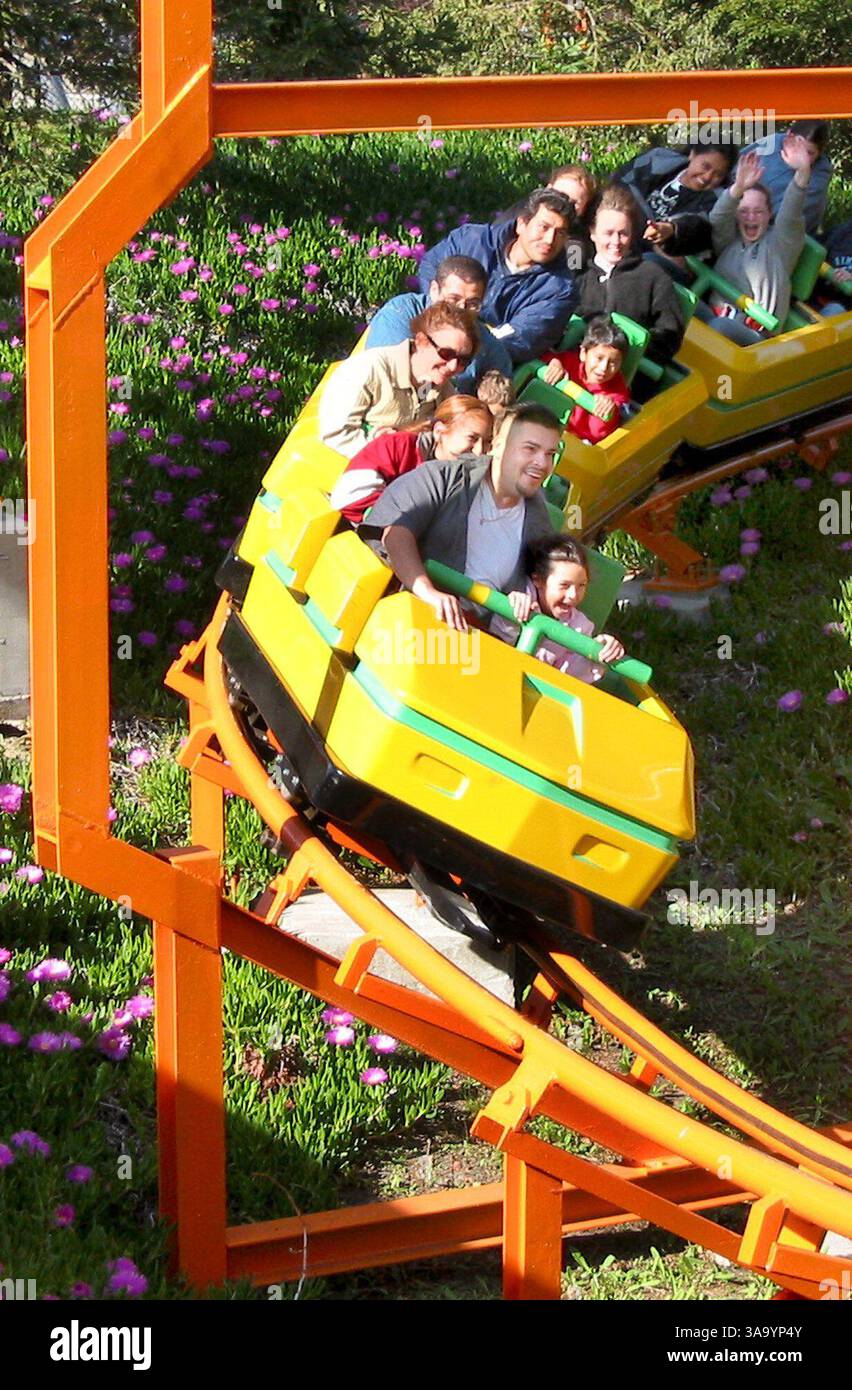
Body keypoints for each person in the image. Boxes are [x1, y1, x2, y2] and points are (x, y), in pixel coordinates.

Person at [361, 402, 562, 631]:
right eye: (530, 449)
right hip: (412, 616)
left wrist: (528, 600)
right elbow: (396, 533)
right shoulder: (443, 478)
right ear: (497, 446)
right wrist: (429, 593)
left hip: (477, 641)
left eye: (550, 454)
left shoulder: (540, 524)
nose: (542, 463)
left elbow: (554, 591)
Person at [417, 189, 578, 364]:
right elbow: (430, 269)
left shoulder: (559, 290)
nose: (549, 239)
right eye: (543, 227)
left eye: (560, 233)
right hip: (428, 324)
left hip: (475, 361)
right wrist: (438, 319)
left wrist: (459, 344)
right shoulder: (472, 240)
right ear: (522, 224)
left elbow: (518, 340)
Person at [318, 302, 478, 458]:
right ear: (421, 341)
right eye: (446, 354)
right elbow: (336, 433)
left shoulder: (440, 387)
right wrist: (388, 454)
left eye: (463, 360)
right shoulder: (368, 369)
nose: (453, 366)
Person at [696, 139, 812, 346]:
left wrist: (802, 173)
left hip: (755, 337)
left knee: (719, 327)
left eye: (758, 212)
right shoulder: (729, 242)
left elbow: (791, 214)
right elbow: (718, 218)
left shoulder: (779, 245)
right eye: (744, 211)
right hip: (717, 317)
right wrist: (737, 188)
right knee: (676, 296)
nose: (751, 218)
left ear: (769, 215)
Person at [329, 395, 492, 526]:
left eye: (486, 442)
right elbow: (350, 497)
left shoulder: (478, 479)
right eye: (472, 438)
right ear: (439, 431)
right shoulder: (397, 446)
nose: (479, 451)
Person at [365, 254, 513, 391]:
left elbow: (501, 392)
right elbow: (386, 374)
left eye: (472, 304)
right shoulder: (401, 313)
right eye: (453, 299)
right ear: (434, 290)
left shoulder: (485, 341)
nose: (461, 309)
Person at [575, 184, 685, 363]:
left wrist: (628, 347)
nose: (616, 242)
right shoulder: (580, 275)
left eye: (623, 234)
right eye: (608, 233)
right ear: (592, 233)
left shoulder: (653, 276)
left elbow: (669, 335)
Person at [494, 535, 624, 683]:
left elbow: (568, 678)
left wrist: (598, 653)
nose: (573, 595)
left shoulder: (580, 627)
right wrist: (511, 613)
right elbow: (495, 641)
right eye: (564, 585)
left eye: (582, 585)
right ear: (538, 580)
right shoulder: (521, 598)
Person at [615, 142, 737, 262]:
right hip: (623, 231)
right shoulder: (658, 159)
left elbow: (696, 228)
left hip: (657, 259)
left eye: (718, 174)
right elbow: (620, 184)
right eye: (705, 166)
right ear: (692, 155)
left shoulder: (717, 202)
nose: (707, 177)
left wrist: (670, 230)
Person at [539, 316, 632, 445]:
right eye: (599, 358)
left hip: (572, 441)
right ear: (583, 353)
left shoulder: (617, 392)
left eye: (613, 362)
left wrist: (604, 411)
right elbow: (545, 357)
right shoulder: (570, 362)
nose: (603, 368)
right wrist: (553, 363)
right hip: (543, 420)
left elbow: (597, 435)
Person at [738, 120, 832, 235]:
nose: (801, 156)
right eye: (798, 148)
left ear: (819, 154)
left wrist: (802, 171)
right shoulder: (773, 142)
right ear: (788, 137)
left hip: (774, 235)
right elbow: (735, 166)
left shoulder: (818, 178)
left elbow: (789, 221)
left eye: (809, 153)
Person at [498, 164, 598, 271]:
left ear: (584, 208)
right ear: (548, 188)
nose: (563, 203)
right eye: (559, 194)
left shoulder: (577, 246)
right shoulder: (524, 211)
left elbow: (573, 276)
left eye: (573, 203)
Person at [813, 217, 852, 317]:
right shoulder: (841, 232)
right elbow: (814, 247)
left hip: (843, 309)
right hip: (815, 293)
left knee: (834, 311)